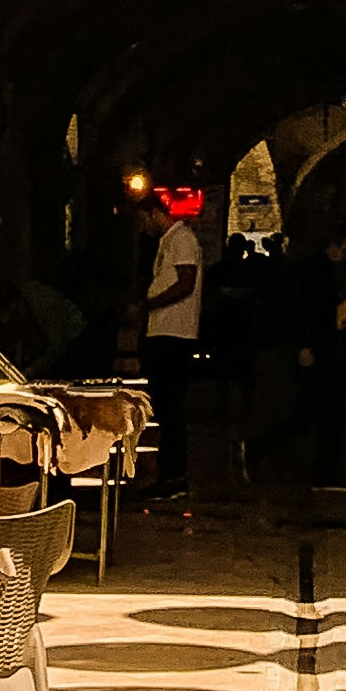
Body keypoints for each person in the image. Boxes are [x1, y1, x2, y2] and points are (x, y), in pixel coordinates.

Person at [141, 196, 203, 504]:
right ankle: (169, 475)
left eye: (144, 219)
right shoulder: (170, 240)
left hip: (173, 333)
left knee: (171, 408)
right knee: (166, 408)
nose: (143, 227)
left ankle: (174, 476)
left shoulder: (181, 239)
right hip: (163, 331)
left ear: (155, 213)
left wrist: (149, 304)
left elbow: (185, 282)